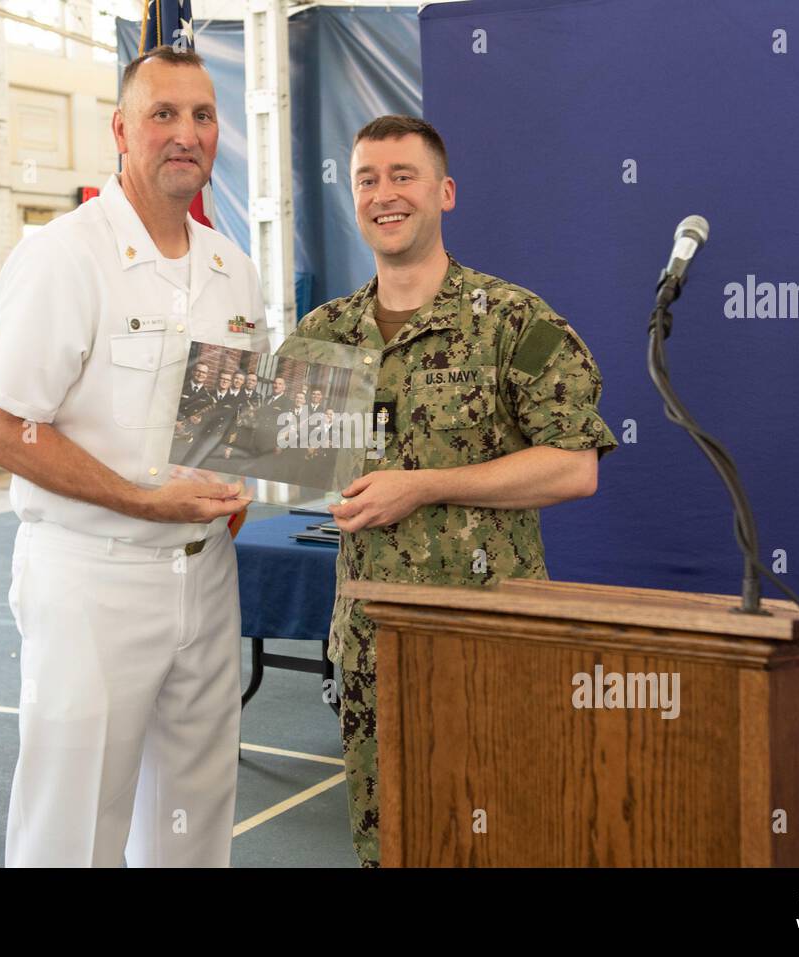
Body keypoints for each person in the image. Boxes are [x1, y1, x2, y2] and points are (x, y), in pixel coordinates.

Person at [285, 115, 617, 866]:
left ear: (445, 191)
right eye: (367, 178)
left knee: (505, 841)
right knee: (389, 845)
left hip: (490, 640)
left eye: (403, 175)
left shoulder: (514, 322)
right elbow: (273, 449)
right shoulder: (324, 334)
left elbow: (575, 465)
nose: (384, 194)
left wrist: (425, 485)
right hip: (371, 645)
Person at [0, 46, 267, 868]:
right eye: (163, 115)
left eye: (203, 115)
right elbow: (3, 429)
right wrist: (143, 501)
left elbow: (226, 424)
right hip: (92, 578)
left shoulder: (232, 269)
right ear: (120, 130)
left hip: (205, 577)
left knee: (195, 812)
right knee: (72, 823)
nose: (186, 134)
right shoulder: (65, 254)